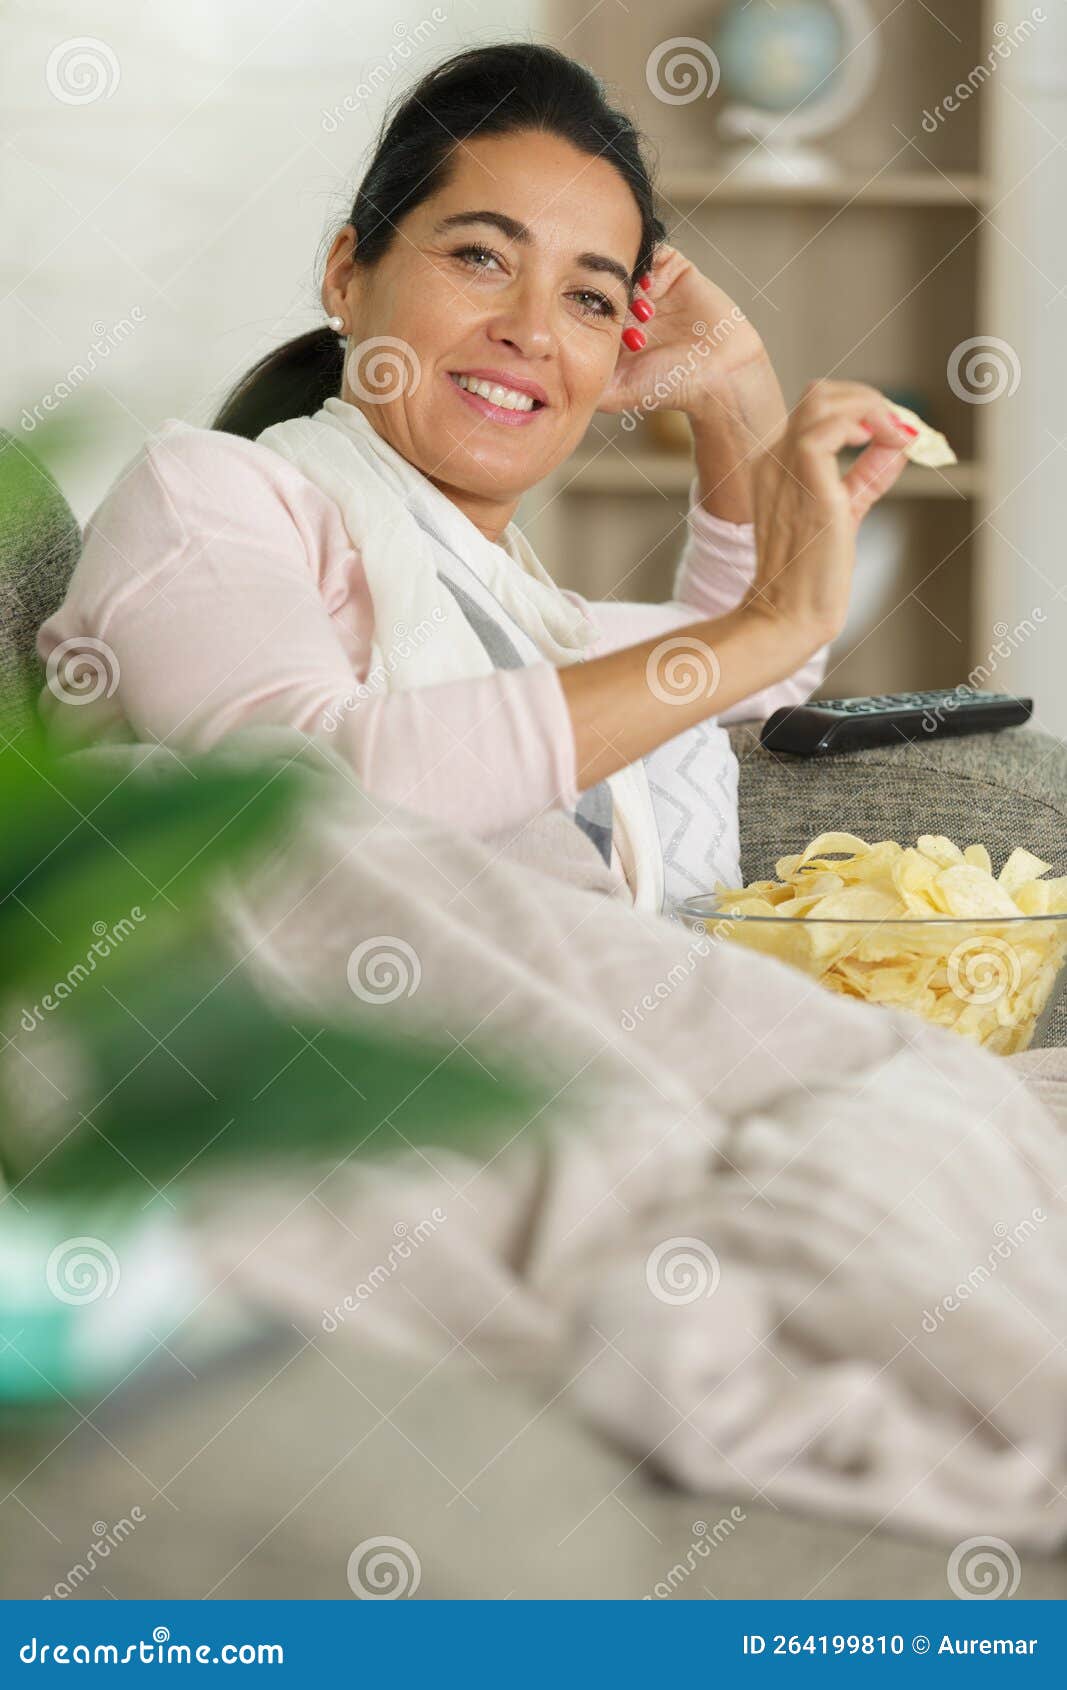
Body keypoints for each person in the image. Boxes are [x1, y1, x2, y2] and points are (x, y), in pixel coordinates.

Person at [36, 41, 918, 911]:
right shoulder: (203, 493)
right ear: (346, 275)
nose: (531, 331)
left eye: (589, 300)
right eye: (480, 257)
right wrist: (770, 623)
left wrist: (730, 385)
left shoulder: (523, 628)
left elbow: (742, 657)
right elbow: (307, 801)